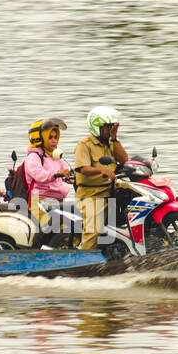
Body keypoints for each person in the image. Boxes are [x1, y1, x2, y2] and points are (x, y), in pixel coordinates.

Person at [73, 106, 128, 250]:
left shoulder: (111, 143)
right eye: (107, 127)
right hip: (92, 195)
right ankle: (85, 262)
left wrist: (115, 138)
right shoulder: (84, 145)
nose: (110, 130)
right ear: (96, 127)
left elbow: (123, 159)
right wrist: (102, 170)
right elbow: (82, 168)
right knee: (93, 230)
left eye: (112, 127)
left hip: (113, 192)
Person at [23, 118, 73, 230]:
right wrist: (57, 173)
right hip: (40, 201)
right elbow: (39, 175)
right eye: (50, 137)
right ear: (40, 138)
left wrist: (75, 177)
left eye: (56, 137)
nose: (54, 141)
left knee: (69, 228)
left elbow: (66, 171)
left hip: (57, 201)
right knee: (48, 231)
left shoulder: (55, 157)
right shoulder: (33, 157)